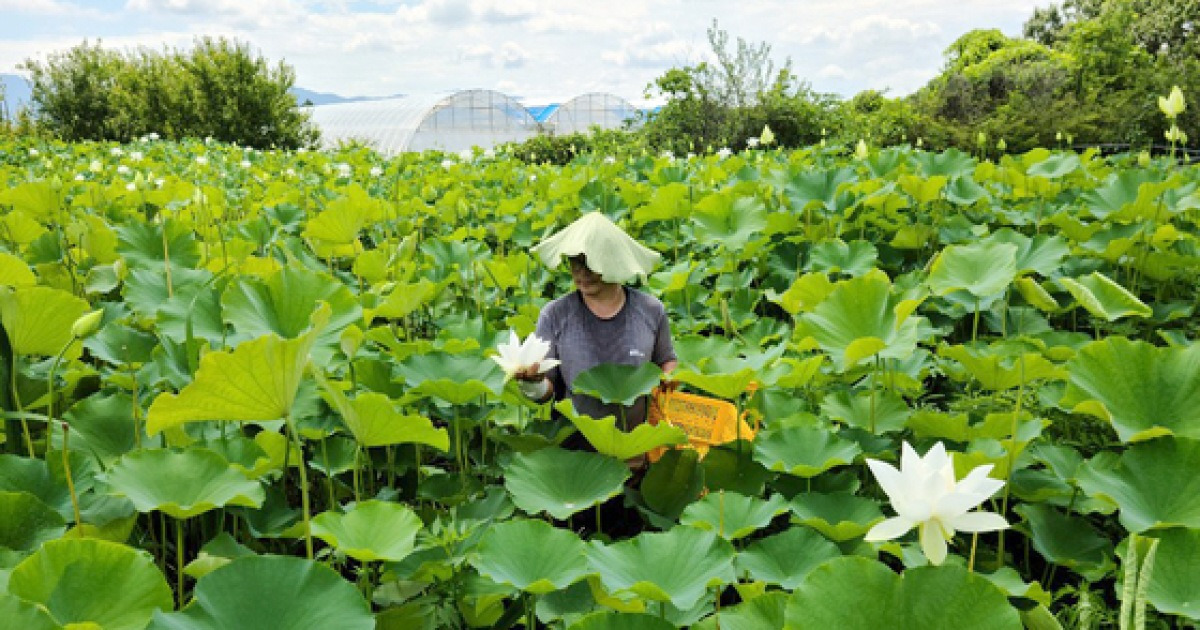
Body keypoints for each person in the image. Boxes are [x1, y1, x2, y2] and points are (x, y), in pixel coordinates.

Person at [513, 212, 677, 435]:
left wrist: (669, 379)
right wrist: (532, 383)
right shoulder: (554, 315)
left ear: (612, 261)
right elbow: (546, 393)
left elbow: (666, 361)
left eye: (588, 263)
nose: (581, 273)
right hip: (574, 451)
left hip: (637, 445)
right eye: (574, 263)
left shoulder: (650, 310)